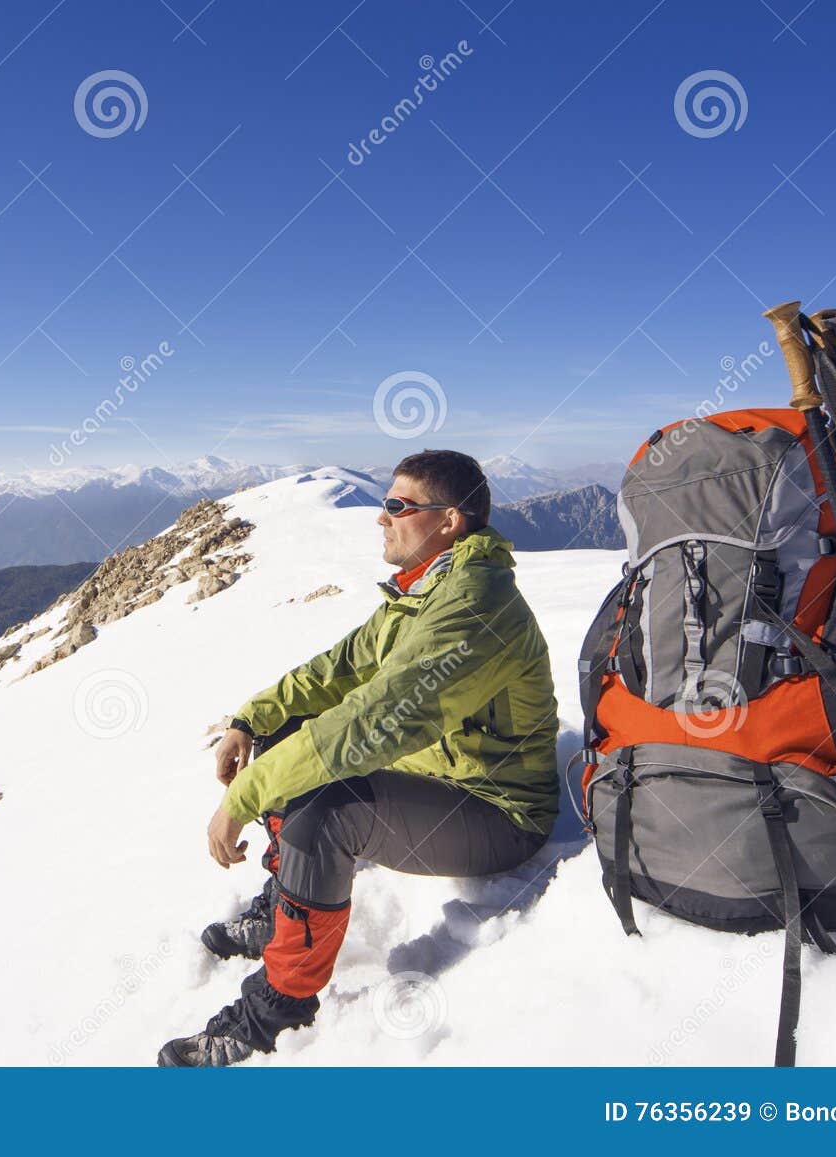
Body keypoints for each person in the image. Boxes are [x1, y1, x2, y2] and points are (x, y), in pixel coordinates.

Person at [157, 449, 560, 1067]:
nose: (383, 518)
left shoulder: (474, 608)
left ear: (448, 520)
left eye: (399, 506)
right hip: (441, 780)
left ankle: (277, 1010)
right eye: (385, 503)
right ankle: (285, 902)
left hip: (497, 814)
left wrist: (245, 796)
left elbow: (376, 721)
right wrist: (252, 718)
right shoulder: (428, 587)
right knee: (288, 731)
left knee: (326, 812)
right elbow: (340, 670)